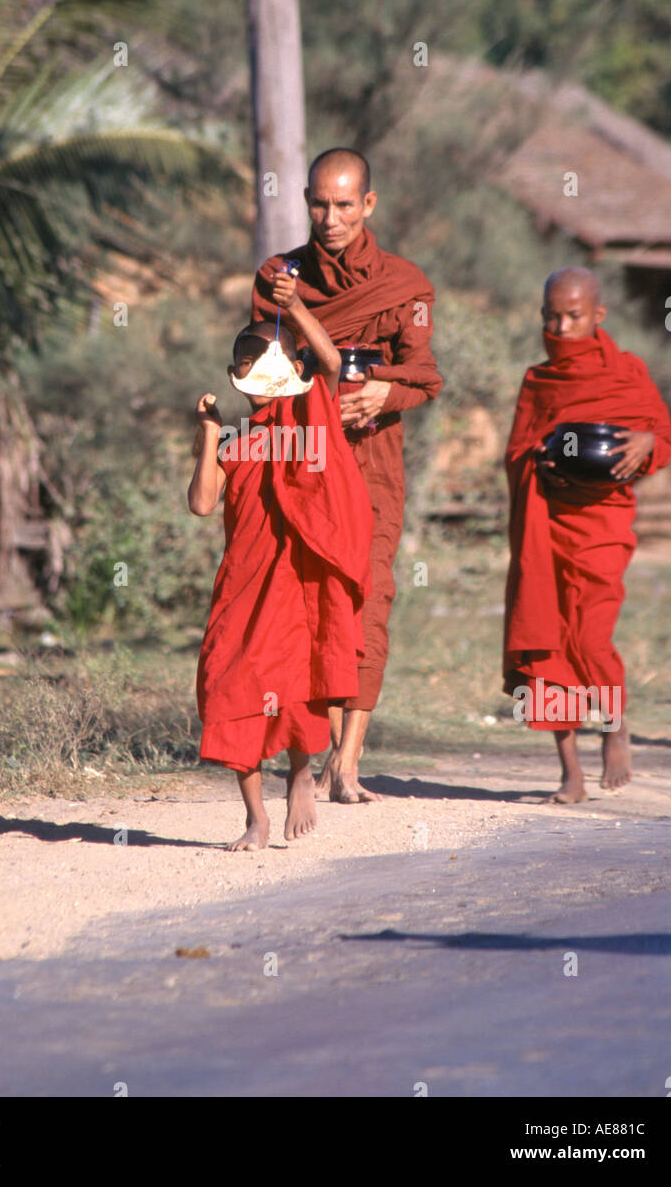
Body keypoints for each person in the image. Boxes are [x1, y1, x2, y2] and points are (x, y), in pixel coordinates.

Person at [252, 148, 441, 803]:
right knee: (315, 603)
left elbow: (424, 378)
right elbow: (258, 374)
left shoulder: (406, 286)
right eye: (318, 204)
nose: (329, 218)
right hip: (304, 459)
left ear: (368, 205)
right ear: (306, 201)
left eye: (343, 205)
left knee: (372, 598)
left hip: (373, 463)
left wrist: (386, 396)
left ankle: (348, 761)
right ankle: (325, 748)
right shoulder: (278, 277)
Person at [190, 267, 372, 850]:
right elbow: (200, 503)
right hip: (242, 585)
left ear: (296, 370)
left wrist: (292, 310)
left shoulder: (311, 411)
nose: (259, 373)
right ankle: (254, 817)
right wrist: (208, 434)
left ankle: (298, 774)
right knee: (226, 686)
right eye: (247, 363)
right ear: (233, 376)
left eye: (273, 361)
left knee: (295, 683)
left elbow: (332, 359)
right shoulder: (235, 440)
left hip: (295, 583)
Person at [503, 266, 671, 802]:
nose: (561, 326)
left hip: (602, 520)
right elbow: (515, 450)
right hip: (547, 521)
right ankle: (569, 771)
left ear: (598, 315)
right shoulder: (539, 380)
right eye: (551, 316)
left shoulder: (626, 371)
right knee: (549, 641)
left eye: (573, 316)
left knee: (590, 635)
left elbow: (659, 435)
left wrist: (646, 444)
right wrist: (539, 462)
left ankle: (615, 724)